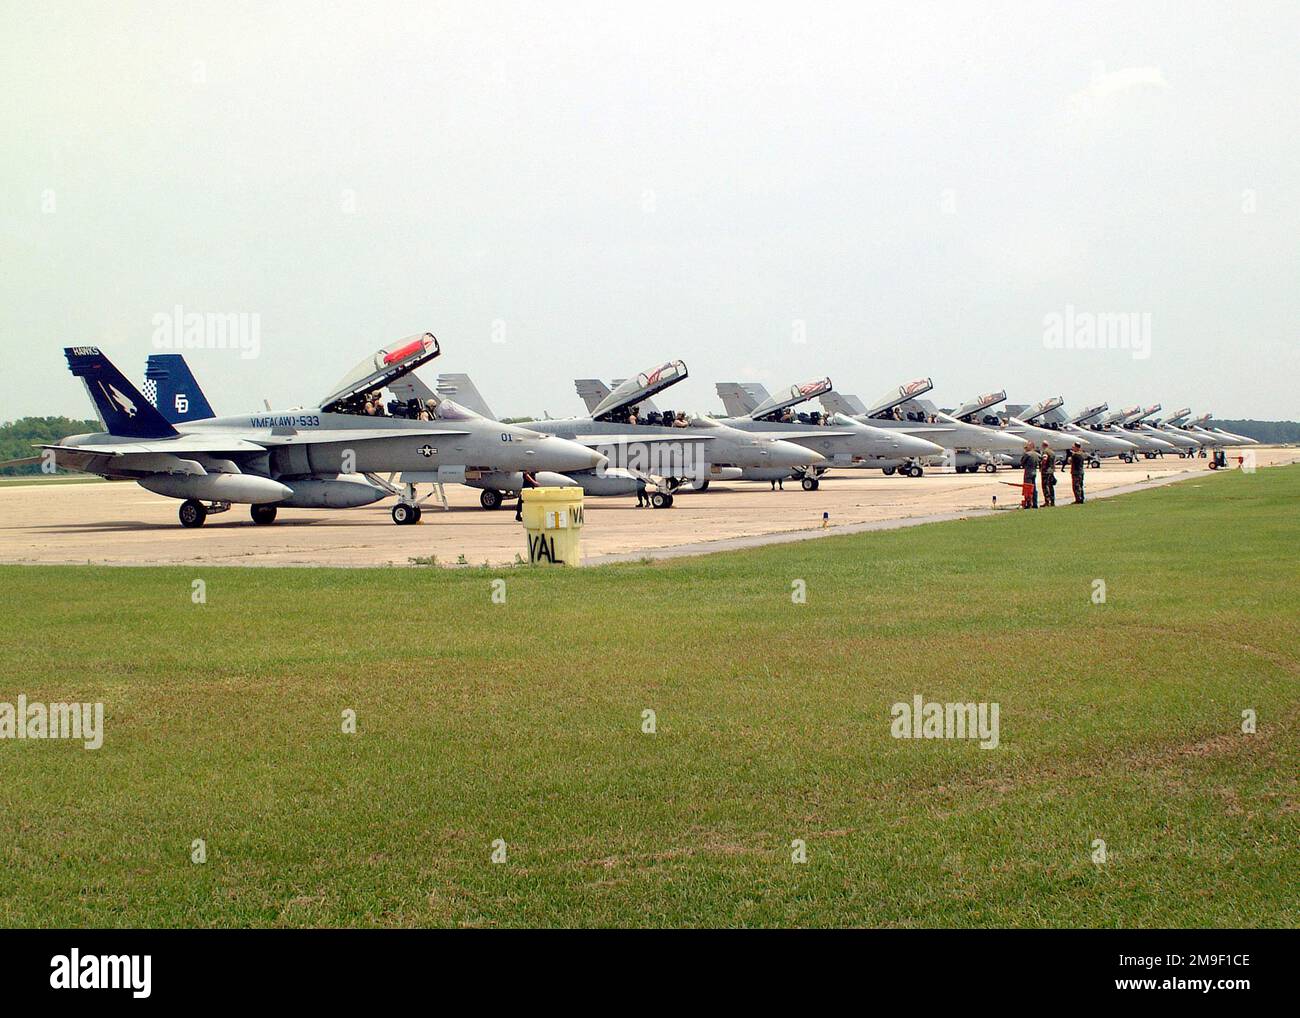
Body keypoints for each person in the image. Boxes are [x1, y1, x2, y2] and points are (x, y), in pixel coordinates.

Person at [1019, 441, 1038, 509]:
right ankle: (1035, 503)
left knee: (1028, 489)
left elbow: (1022, 462)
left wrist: (1024, 453)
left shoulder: (1027, 454)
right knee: (1034, 488)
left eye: (1027, 447)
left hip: (1028, 473)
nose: (1025, 448)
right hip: (1034, 472)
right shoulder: (1036, 454)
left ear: (1030, 446)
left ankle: (1028, 504)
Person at [1039, 441, 1056, 507]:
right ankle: (1052, 501)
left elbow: (1044, 459)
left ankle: (1047, 501)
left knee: (1045, 486)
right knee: (1051, 486)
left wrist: (1042, 467)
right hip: (1051, 471)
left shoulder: (1045, 452)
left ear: (1043, 445)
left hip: (1046, 471)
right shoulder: (1052, 452)